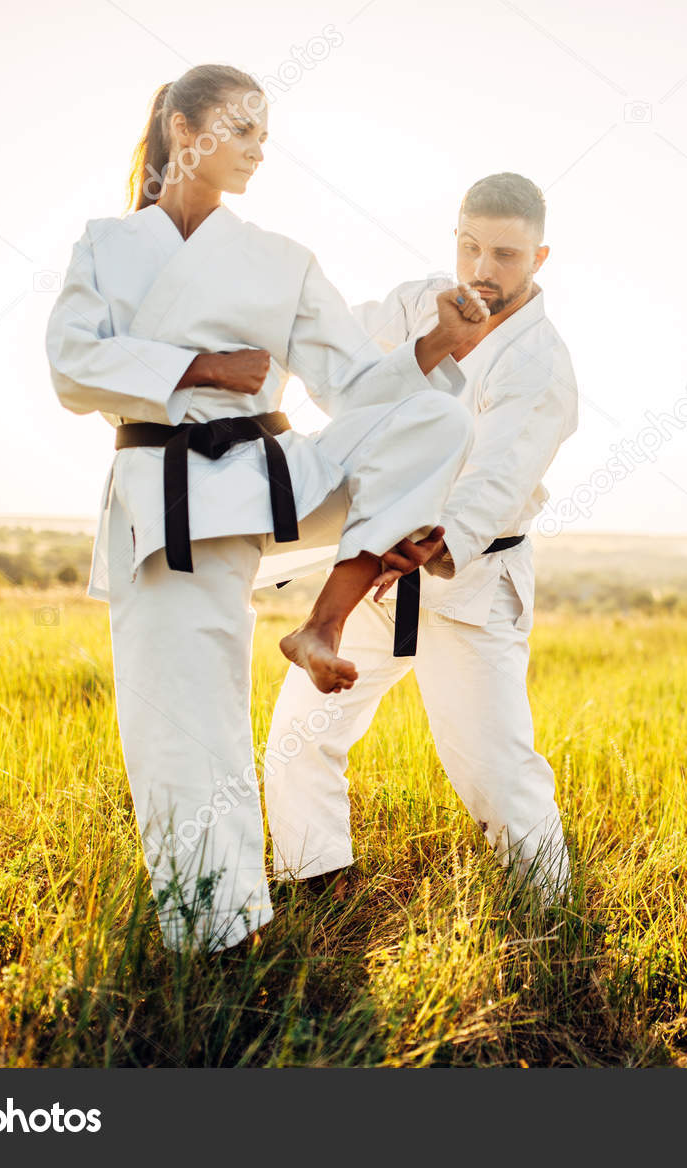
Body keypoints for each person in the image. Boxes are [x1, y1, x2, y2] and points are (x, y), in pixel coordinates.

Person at [44, 63, 488, 952]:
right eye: (240, 129)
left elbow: (360, 388)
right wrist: (200, 370)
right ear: (183, 130)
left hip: (269, 484)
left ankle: (324, 620)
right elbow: (68, 367)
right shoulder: (106, 246)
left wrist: (441, 341)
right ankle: (219, 932)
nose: (256, 150)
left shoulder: (281, 261)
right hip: (166, 506)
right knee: (184, 724)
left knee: (434, 416)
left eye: (263, 136)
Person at [263, 173, 578, 902]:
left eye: (505, 254)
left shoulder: (540, 365)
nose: (482, 270)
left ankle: (554, 922)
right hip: (376, 571)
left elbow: (494, 485)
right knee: (300, 734)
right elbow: (338, 354)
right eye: (470, 247)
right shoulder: (417, 304)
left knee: (494, 770)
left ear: (540, 257)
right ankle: (319, 890)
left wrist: (433, 543)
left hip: (465, 579)